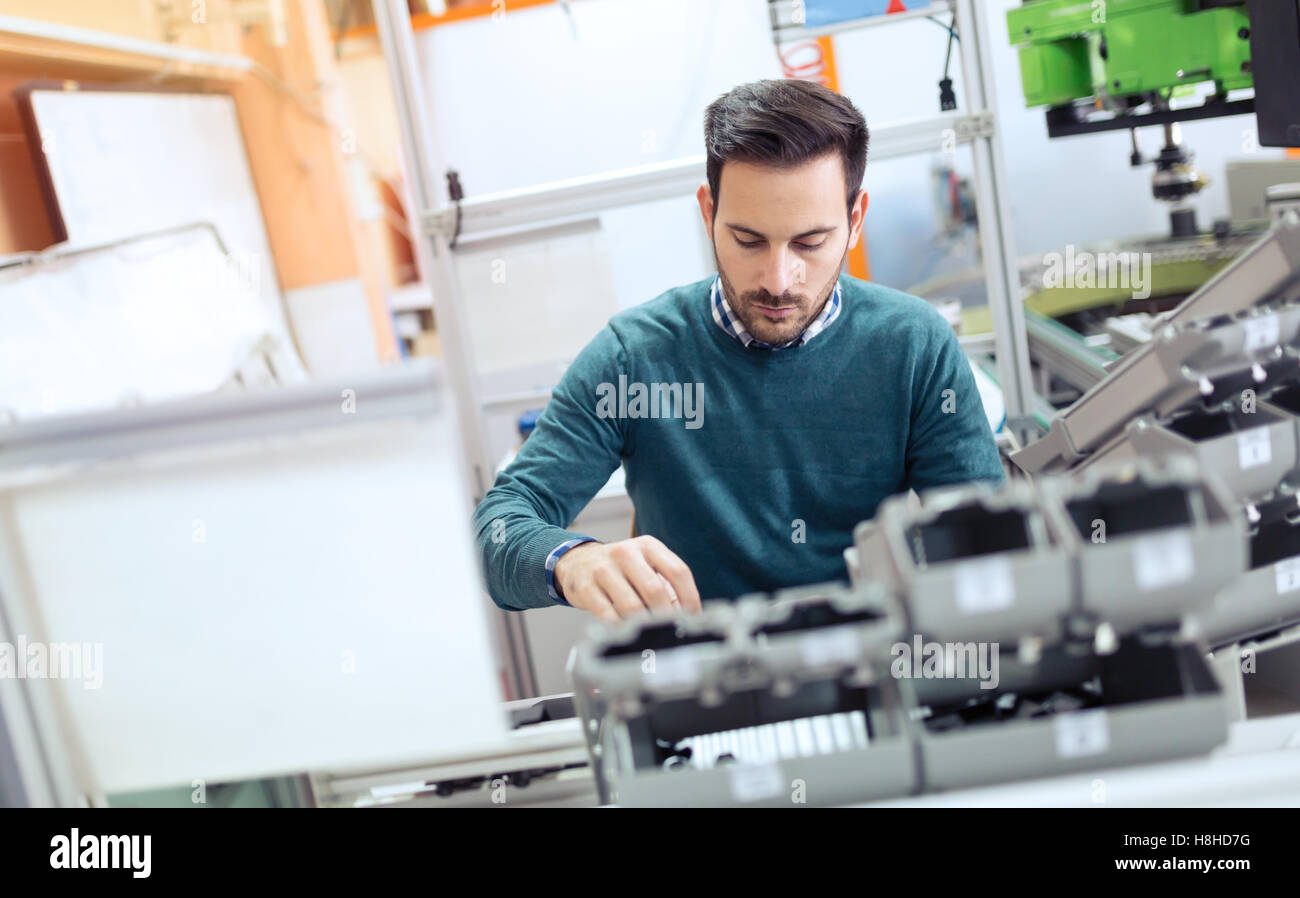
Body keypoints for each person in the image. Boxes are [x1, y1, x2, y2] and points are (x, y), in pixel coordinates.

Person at [473, 79, 1004, 621]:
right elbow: (498, 527)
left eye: (810, 242)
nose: (778, 280)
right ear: (708, 213)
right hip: (699, 664)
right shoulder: (633, 360)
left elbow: (992, 541)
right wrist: (573, 561)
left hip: (873, 656)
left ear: (855, 221)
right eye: (749, 241)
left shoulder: (914, 347)